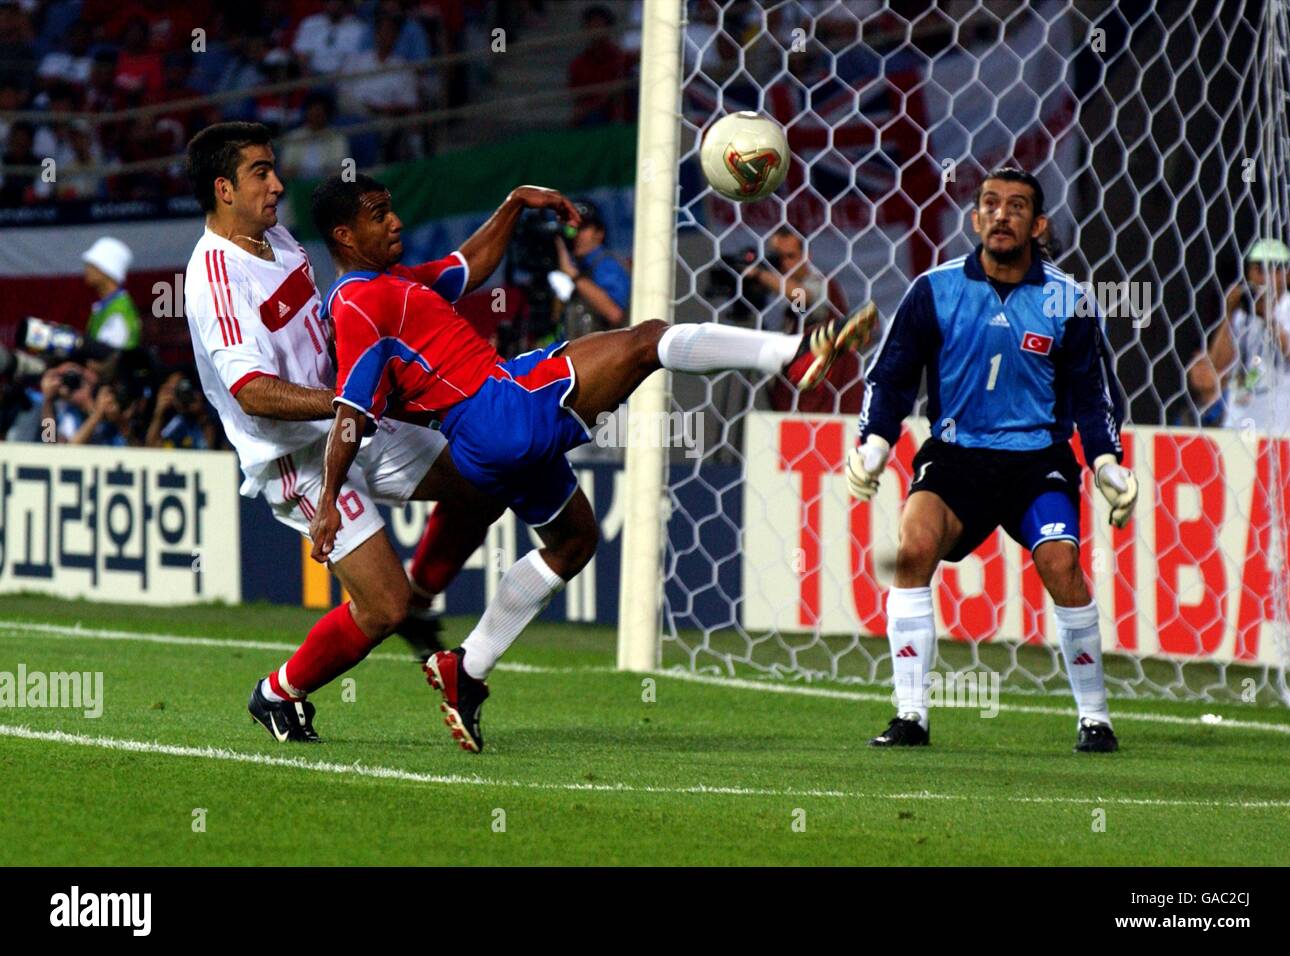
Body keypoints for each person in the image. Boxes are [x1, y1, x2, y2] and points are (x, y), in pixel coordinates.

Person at [308, 173, 877, 753]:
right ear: (345, 236)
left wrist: (512, 203)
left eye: (392, 209)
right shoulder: (354, 301)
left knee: (574, 541)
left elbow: (467, 266)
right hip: (499, 406)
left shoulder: (394, 283)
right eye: (379, 214)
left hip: (487, 448)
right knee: (647, 340)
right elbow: (351, 406)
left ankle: (468, 670)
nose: (395, 221)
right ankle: (793, 354)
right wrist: (328, 500)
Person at [181, 121, 573, 744]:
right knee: (380, 608)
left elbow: (451, 273)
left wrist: (512, 205)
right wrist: (350, 404)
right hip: (298, 454)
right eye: (262, 172)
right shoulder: (215, 279)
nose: (278, 184)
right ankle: (278, 693)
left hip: (352, 420)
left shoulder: (277, 239)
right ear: (224, 188)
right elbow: (251, 391)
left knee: (487, 471)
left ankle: (422, 600)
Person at [846, 167, 1137, 754]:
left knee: (1061, 566)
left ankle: (1095, 718)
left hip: (1037, 463)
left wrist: (1106, 461)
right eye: (990, 205)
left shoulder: (1067, 300)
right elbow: (892, 377)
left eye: (1017, 206)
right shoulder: (934, 289)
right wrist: (874, 443)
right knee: (913, 549)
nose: (1001, 215)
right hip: (955, 458)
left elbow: (1092, 395)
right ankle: (911, 716)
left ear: (1038, 223)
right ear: (976, 218)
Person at [1187, 238, 1290, 433]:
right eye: (1259, 267)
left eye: (1275, 267)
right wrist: (1228, 314)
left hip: (1285, 429)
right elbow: (1218, 367)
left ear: (1288, 274)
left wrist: (1269, 319)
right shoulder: (1241, 316)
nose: (1266, 275)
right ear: (1249, 272)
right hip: (1238, 427)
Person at [748, 225, 863, 414]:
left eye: (790, 256)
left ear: (806, 255)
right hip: (800, 404)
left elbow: (802, 297)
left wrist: (761, 275)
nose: (784, 264)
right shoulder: (784, 301)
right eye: (778, 258)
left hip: (830, 407)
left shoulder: (822, 286)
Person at [552, 198, 631, 341]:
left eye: (584, 228)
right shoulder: (578, 266)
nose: (577, 234)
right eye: (573, 228)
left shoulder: (607, 264)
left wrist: (573, 275)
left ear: (599, 233)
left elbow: (614, 313)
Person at [81, 237, 142, 350]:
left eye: (92, 265)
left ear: (107, 271)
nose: (86, 269)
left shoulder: (119, 310)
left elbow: (109, 359)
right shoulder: (106, 306)